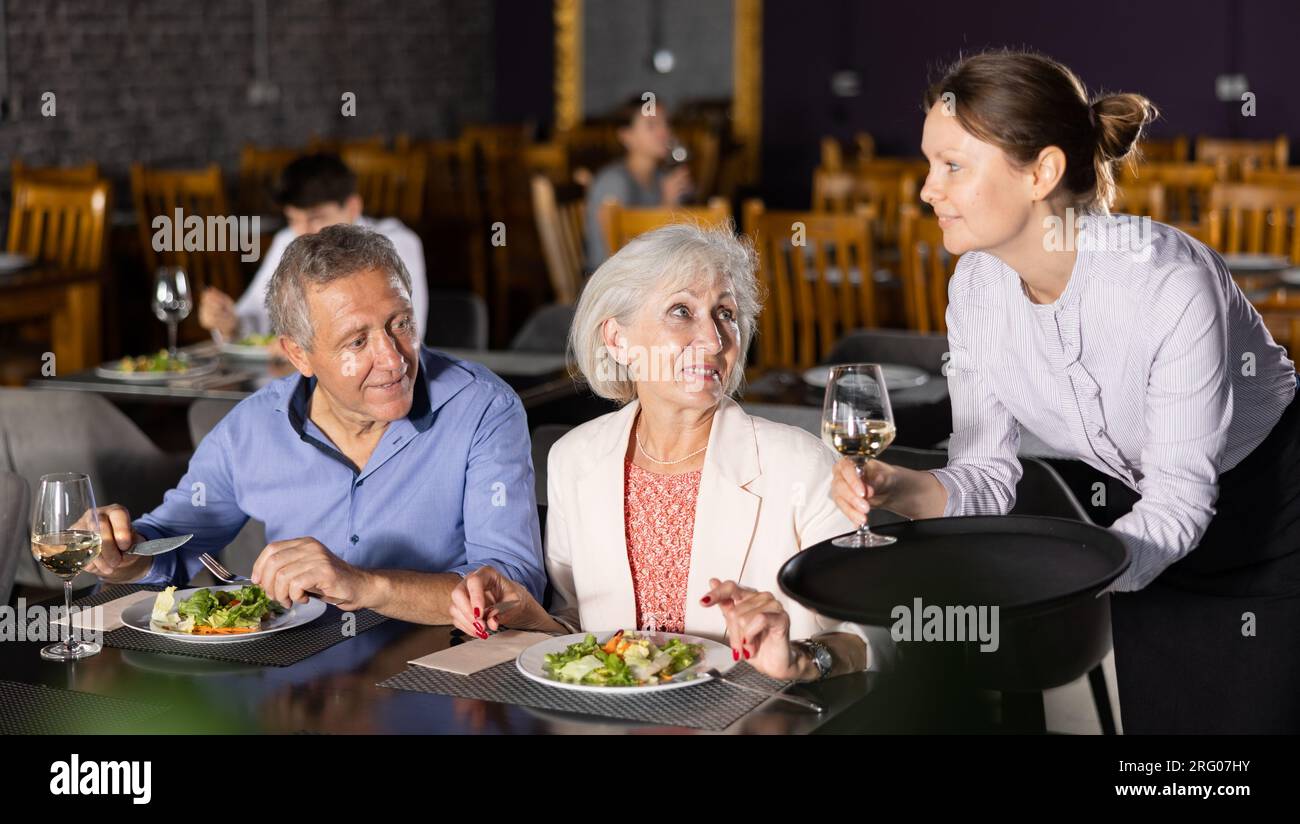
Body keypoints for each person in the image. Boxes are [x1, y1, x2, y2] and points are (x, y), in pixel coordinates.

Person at [830, 50, 1299, 733]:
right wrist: (896, 489)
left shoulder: (1166, 283)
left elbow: (1179, 502)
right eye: (930, 164)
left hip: (1277, 520)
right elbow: (987, 475)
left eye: (953, 165)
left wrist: (1053, 579)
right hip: (1145, 535)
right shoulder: (975, 288)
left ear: (1043, 172)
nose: (928, 190)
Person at [450, 223, 895, 682]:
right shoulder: (574, 460)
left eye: (725, 314)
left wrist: (803, 659)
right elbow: (582, 633)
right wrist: (529, 616)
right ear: (618, 340)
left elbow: (877, 634)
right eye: (681, 311)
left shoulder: (804, 465)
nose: (714, 340)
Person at [86, 224, 544, 622]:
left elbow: (513, 585)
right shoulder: (250, 429)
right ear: (298, 355)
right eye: (357, 341)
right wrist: (121, 550)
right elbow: (171, 544)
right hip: (297, 685)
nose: (392, 359)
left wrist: (364, 584)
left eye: (400, 323)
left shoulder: (483, 408)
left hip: (443, 674)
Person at [199, 153, 428, 343]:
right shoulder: (288, 239)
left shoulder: (396, 244)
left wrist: (305, 351)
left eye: (316, 218)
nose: (303, 232)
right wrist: (230, 322)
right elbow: (258, 314)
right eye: (293, 219)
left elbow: (406, 332)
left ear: (352, 207)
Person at [584, 95, 694, 267]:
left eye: (665, 123)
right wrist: (667, 204)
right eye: (652, 125)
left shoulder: (660, 177)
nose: (664, 132)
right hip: (612, 284)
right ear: (626, 136)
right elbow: (617, 252)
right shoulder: (613, 182)